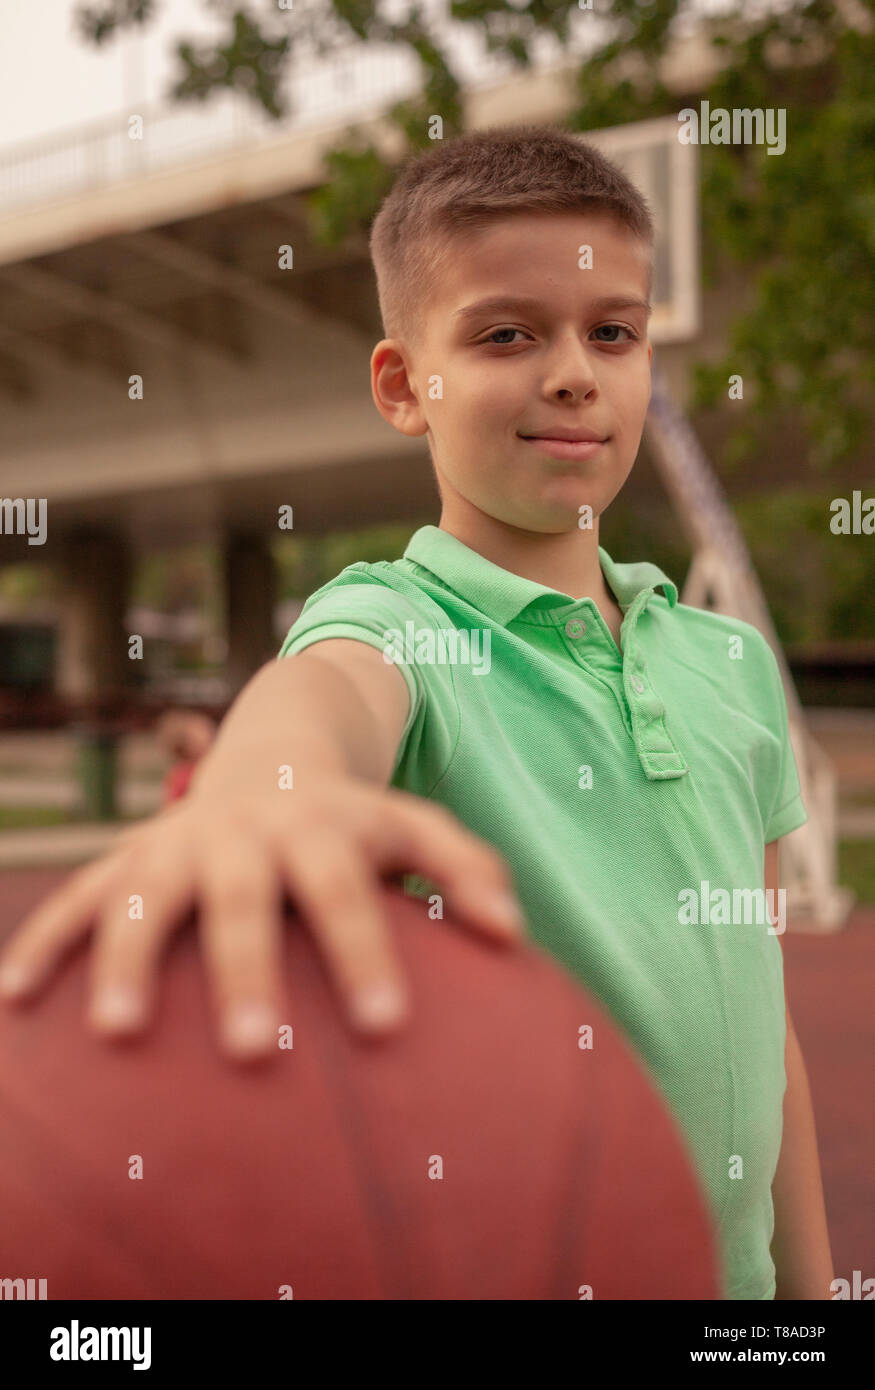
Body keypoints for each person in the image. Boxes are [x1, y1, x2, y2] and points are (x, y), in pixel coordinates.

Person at [0, 124, 833, 1301]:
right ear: (404, 385)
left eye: (612, 332)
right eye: (505, 334)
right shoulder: (400, 622)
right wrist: (253, 802)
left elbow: (766, 1028)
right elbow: (319, 699)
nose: (570, 372)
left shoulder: (729, 662)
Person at [155, 710, 216, 806]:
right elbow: (171, 805)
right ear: (189, 745)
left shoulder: (210, 764)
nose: (211, 735)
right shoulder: (184, 774)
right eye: (204, 731)